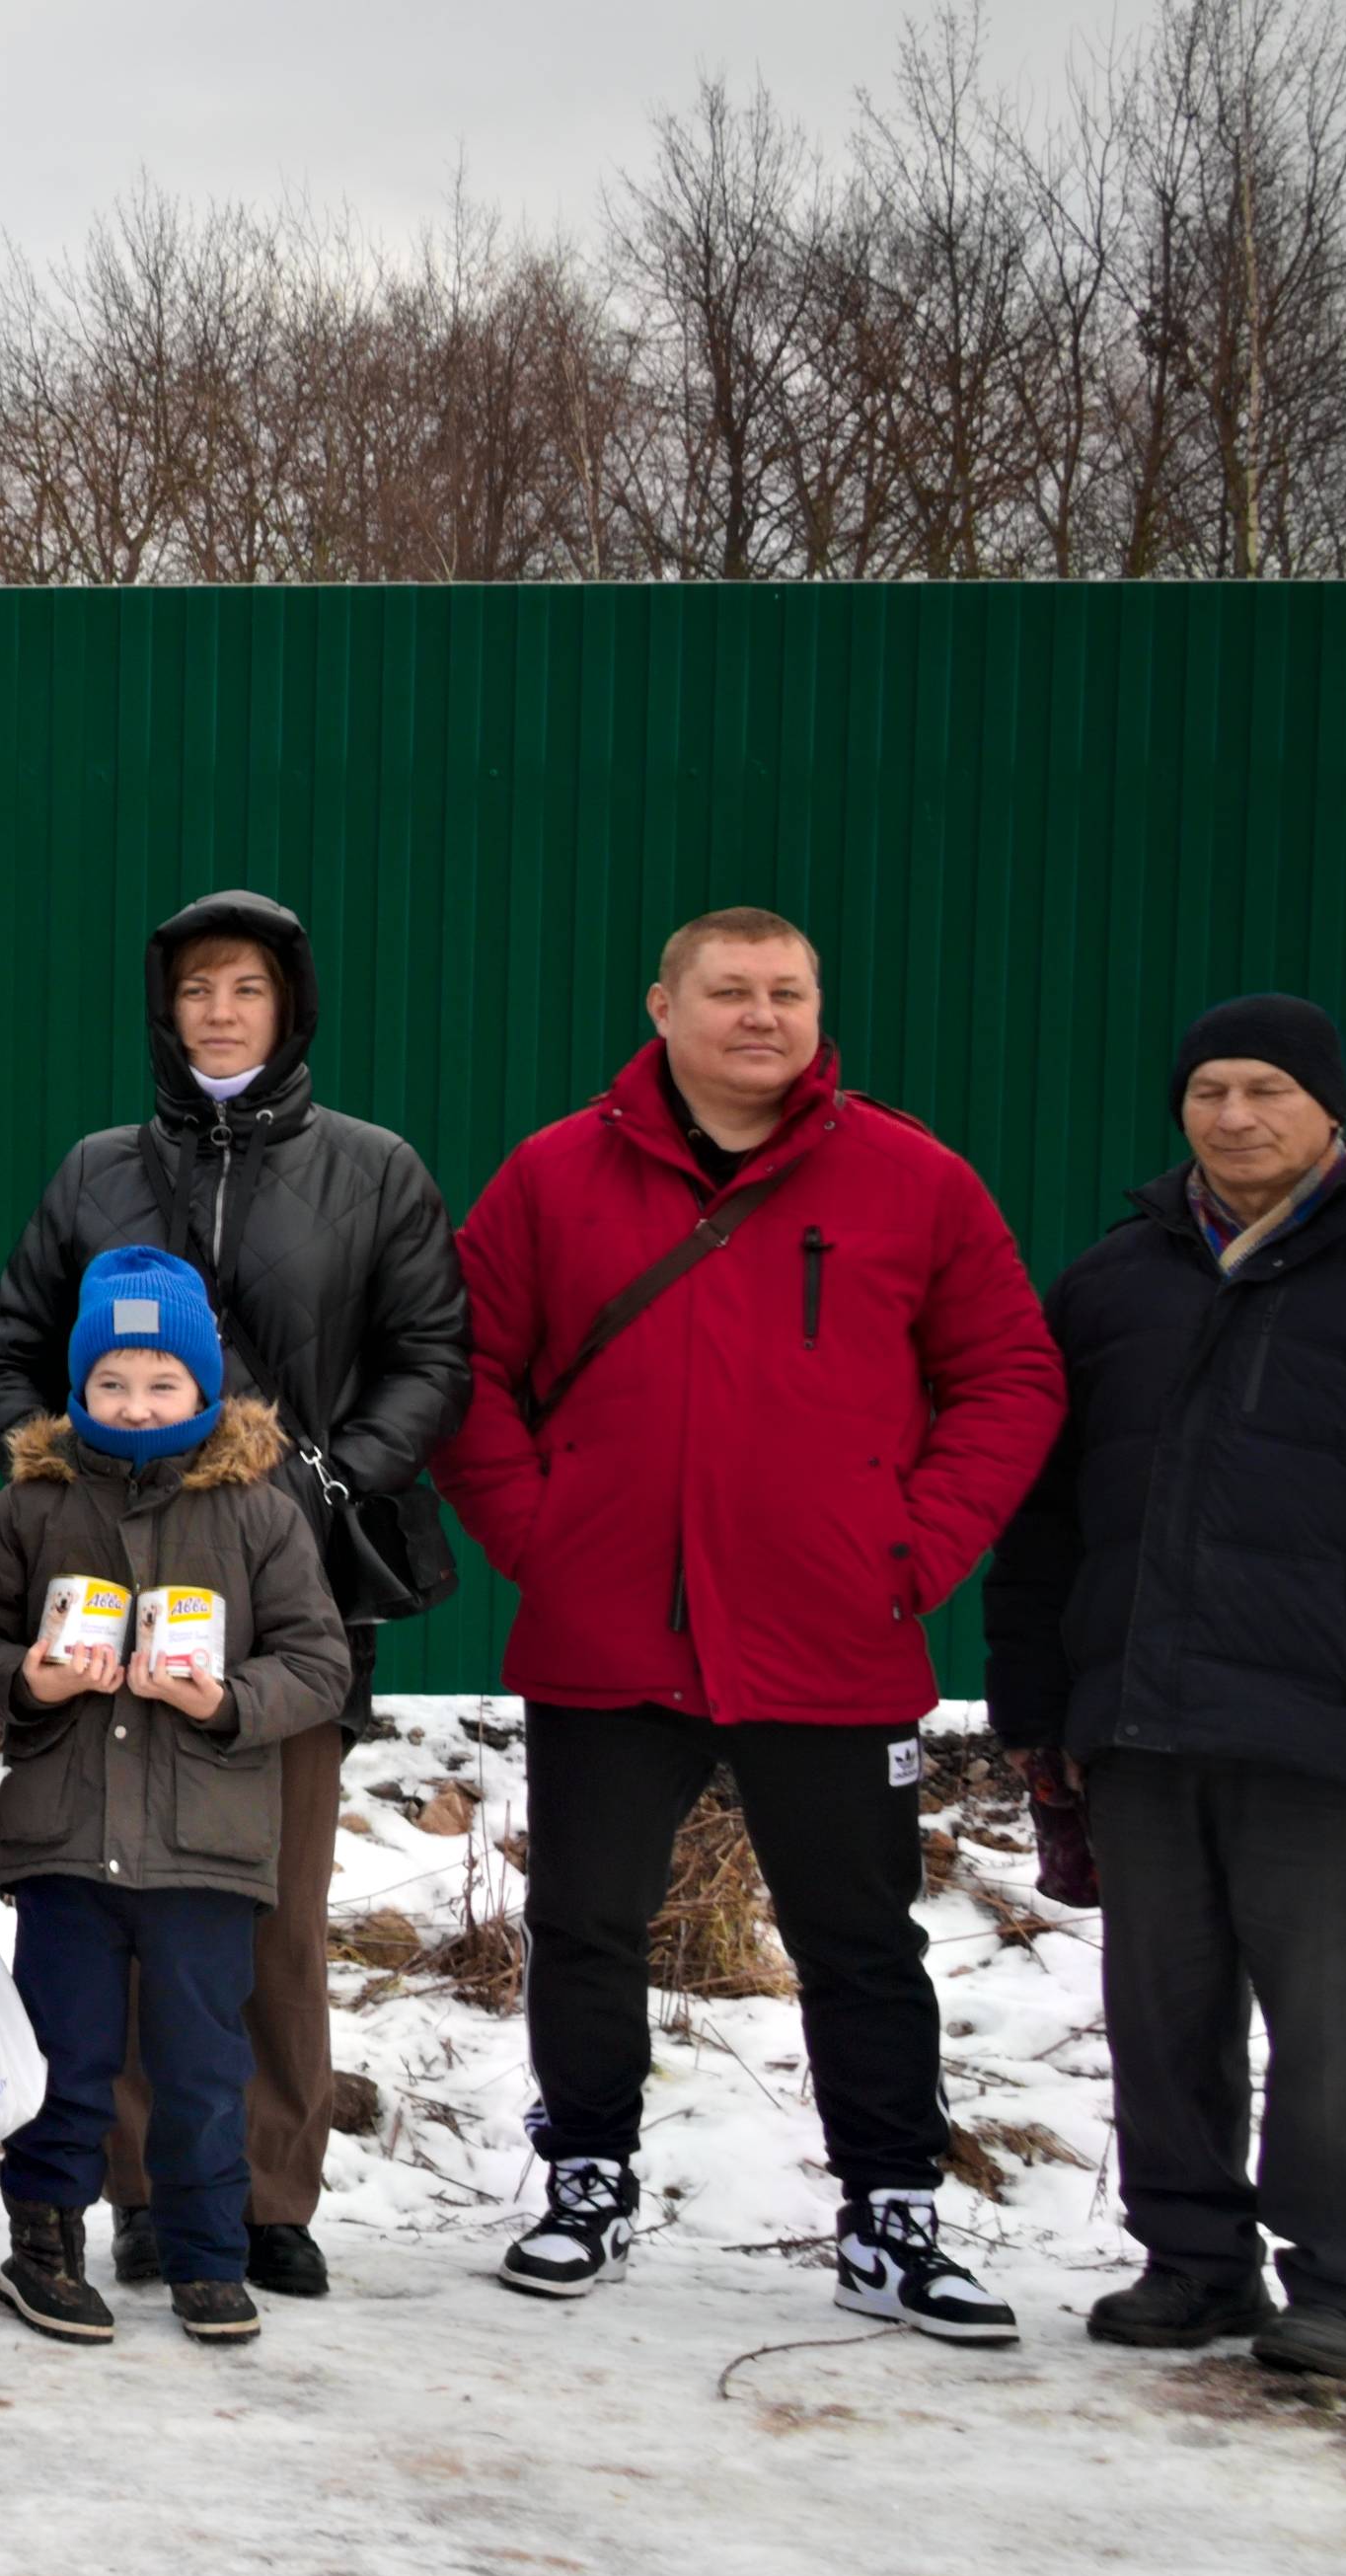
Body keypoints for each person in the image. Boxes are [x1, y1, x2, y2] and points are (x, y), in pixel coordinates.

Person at [436, 908, 1063, 2338]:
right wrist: (541, 1536)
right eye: (729, 990)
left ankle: (890, 2212)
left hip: (832, 1630)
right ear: (662, 1007)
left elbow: (1009, 1373)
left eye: (787, 991)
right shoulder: (554, 1175)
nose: (761, 1015)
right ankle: (586, 2176)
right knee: (585, 1920)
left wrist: (913, 1547)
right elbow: (464, 1365)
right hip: (611, 1626)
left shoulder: (912, 1178)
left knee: (861, 1939)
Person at [0, 890, 468, 2300]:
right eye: (196, 987)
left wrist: (330, 1484)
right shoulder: (98, 1169)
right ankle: (142, 2190)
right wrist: (56, 1478)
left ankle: (261, 2192)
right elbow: (15, 1343)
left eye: (247, 987)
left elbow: (431, 1353)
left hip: (283, 1585)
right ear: (165, 1007)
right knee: (112, 1899)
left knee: (269, 1906)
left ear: (289, 1005)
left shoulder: (371, 1168)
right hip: (104, 1593)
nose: (220, 1011)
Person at [989, 996, 1346, 2381]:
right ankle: (1193, 2260)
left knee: (1335, 2021)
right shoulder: (1116, 1281)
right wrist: (1033, 1702)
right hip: (1141, 1713)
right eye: (1209, 1090)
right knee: (1162, 2009)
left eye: (1267, 1088)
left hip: (1326, 1720)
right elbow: (1046, 1515)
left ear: (1328, 1107)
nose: (1234, 1115)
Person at [0, 1249, 356, 2349]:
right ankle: (41, 2249)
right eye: (112, 1383)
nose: (135, 1405)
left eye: (161, 1383)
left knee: (203, 2064)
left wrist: (228, 1700)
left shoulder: (258, 1513)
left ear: (205, 1389)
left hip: (204, 1848)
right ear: (78, 1388)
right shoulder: (33, 1505)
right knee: (66, 2056)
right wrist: (27, 1681)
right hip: (67, 1842)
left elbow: (319, 1663)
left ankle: (207, 2257)